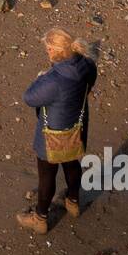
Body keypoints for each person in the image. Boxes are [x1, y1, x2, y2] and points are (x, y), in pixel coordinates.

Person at [16, 28, 97, 235]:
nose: (46, 51)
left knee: (47, 177)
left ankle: (40, 217)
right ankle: (73, 202)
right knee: (72, 164)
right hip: (76, 127)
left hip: (53, 134)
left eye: (47, 48)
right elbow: (90, 84)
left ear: (54, 50)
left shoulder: (54, 80)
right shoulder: (87, 65)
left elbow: (29, 98)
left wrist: (40, 77)